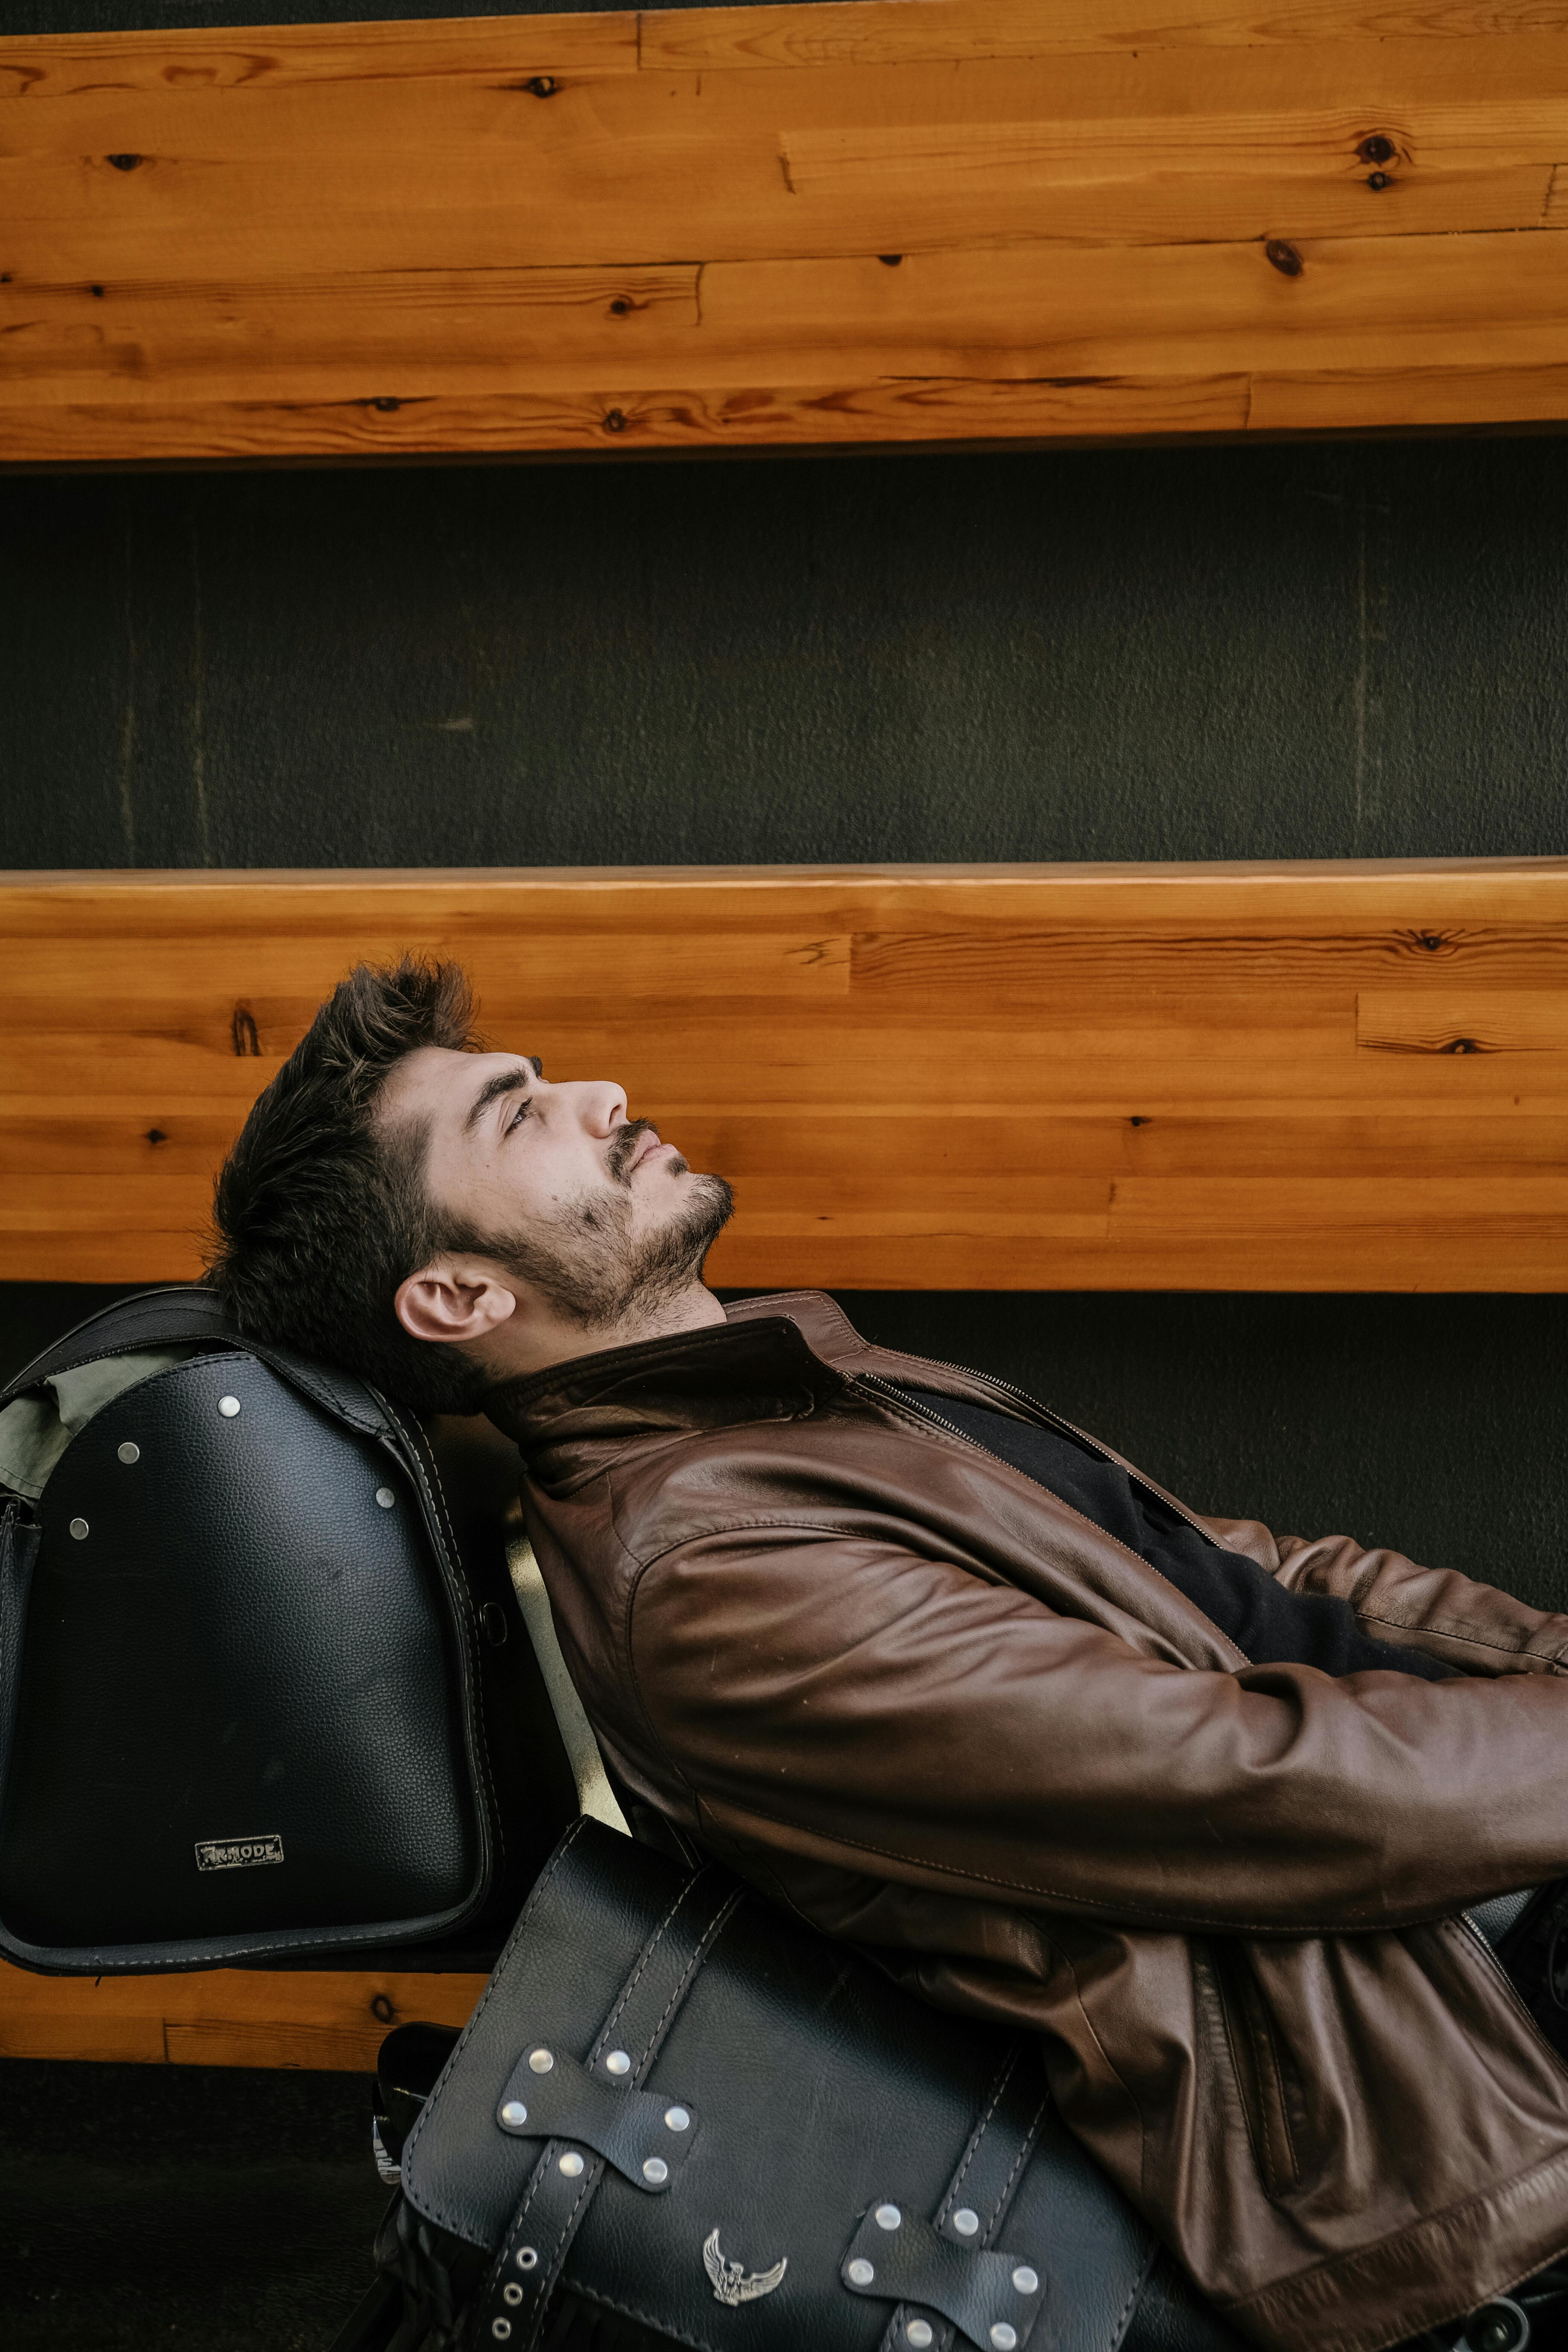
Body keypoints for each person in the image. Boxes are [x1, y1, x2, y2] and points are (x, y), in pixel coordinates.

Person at [208, 956, 1568, 2352]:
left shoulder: (772, 1395)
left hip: (1468, 1860)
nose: (601, 1095)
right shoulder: (708, 1583)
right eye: (519, 1116)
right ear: (457, 1300)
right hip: (1446, 2057)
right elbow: (1250, 1787)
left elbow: (1248, 1575)